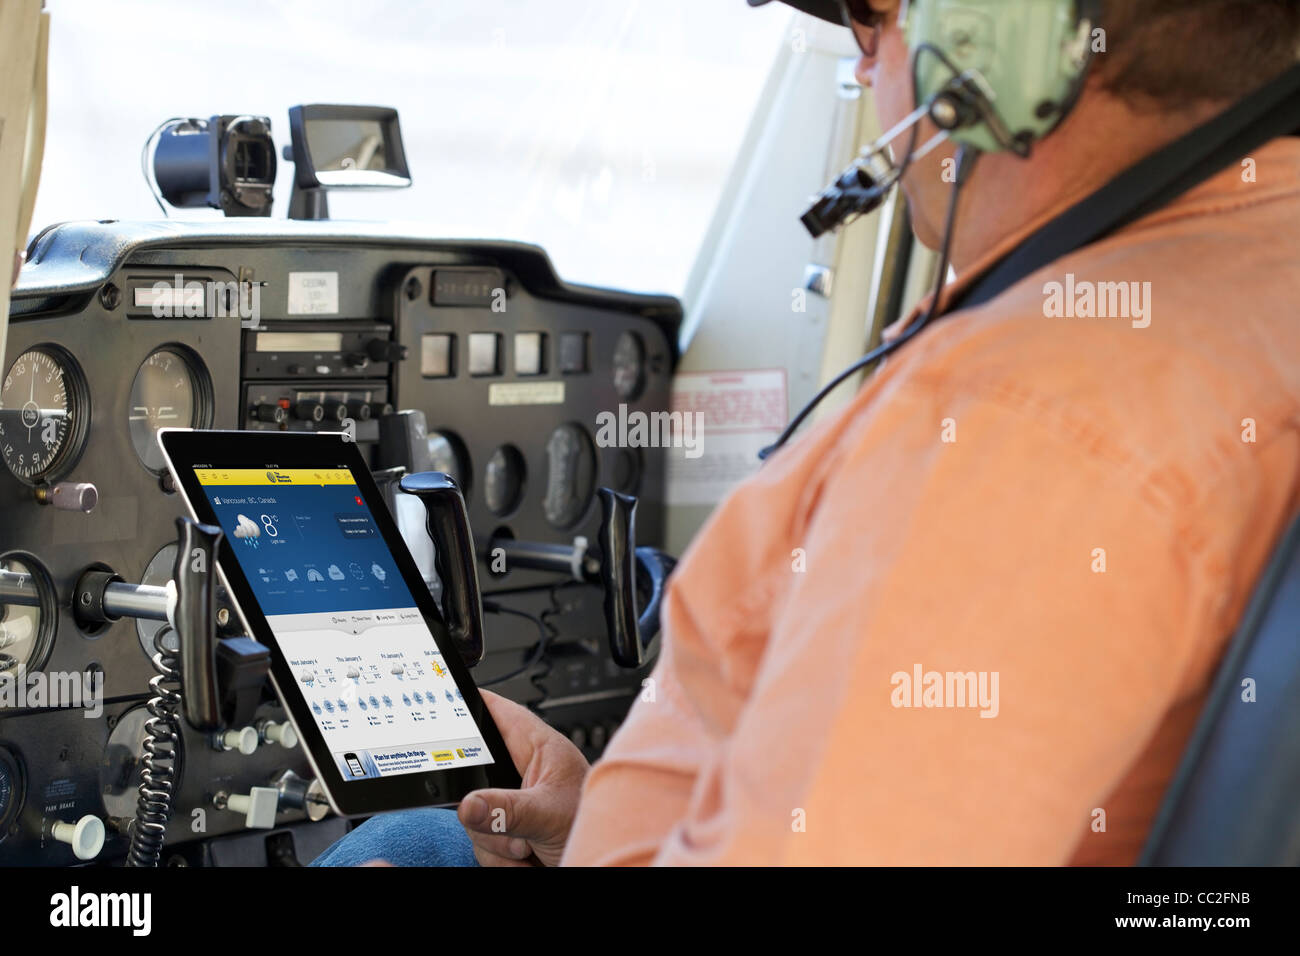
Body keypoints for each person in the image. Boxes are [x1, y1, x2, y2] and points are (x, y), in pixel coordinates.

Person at [314, 0, 1300, 866]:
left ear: (1007, 29)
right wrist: (595, 827)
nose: (864, 65)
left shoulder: (1020, 423)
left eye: (871, 14)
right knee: (427, 839)